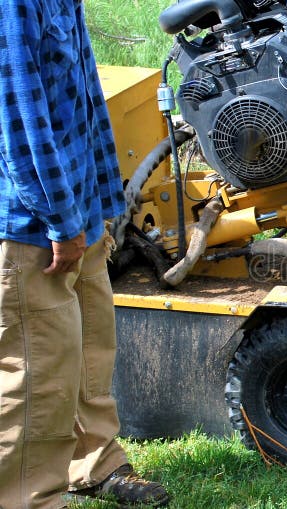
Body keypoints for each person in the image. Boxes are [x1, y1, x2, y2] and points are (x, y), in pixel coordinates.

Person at [0, 0, 170, 507]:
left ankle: (94, 463)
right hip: (33, 225)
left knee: (90, 343)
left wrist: (100, 204)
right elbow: (19, 125)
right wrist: (61, 221)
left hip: (79, 208)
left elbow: (85, 98)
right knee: (36, 376)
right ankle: (25, 498)